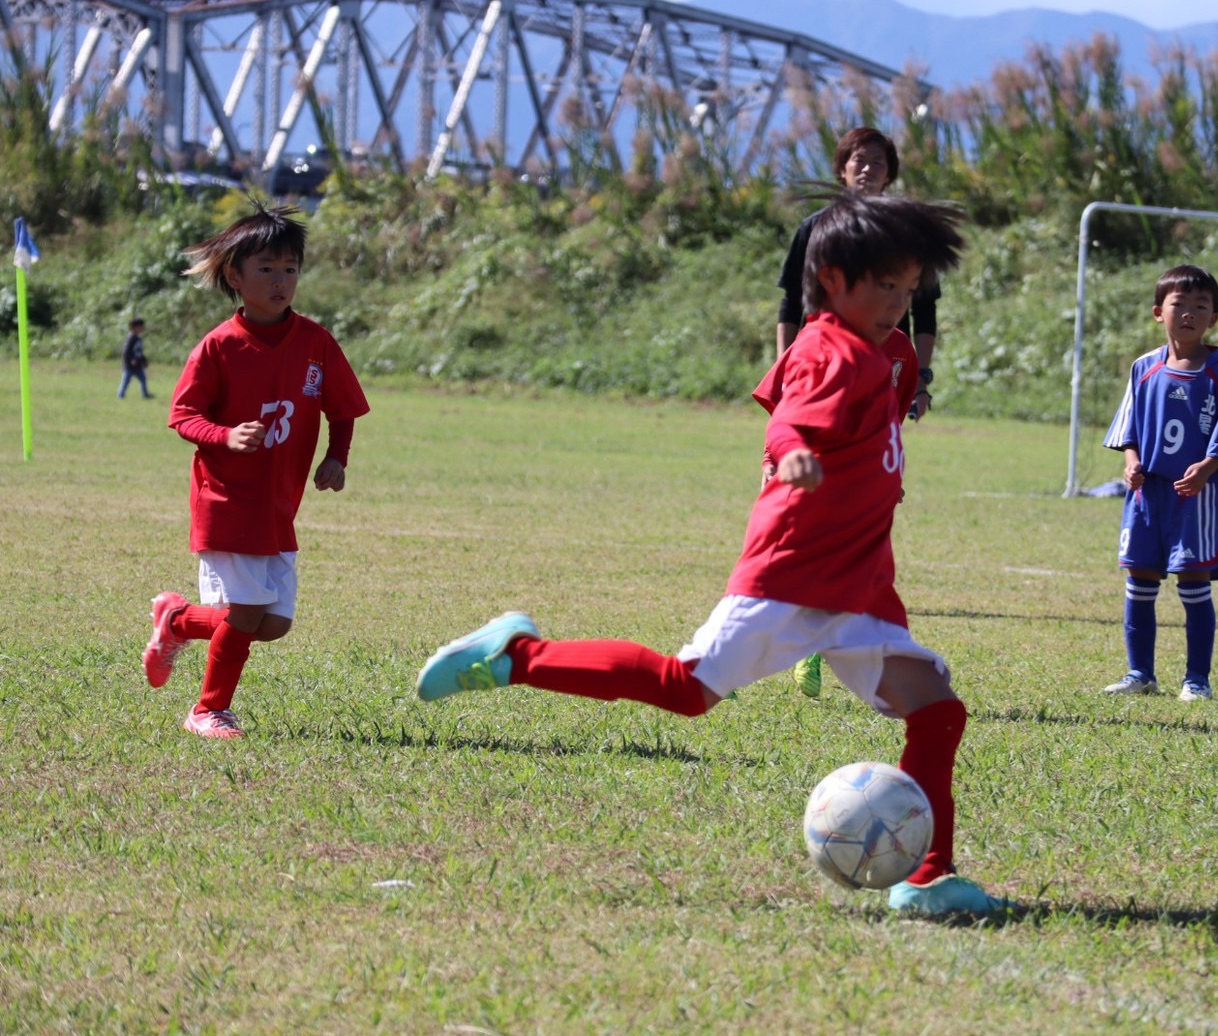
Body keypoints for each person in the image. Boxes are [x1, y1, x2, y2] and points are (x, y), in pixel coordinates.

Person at [416, 193, 1012, 918]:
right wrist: (792, 453)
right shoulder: (831, 350)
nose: (898, 302)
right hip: (795, 576)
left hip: (858, 588)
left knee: (939, 710)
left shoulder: (889, 354)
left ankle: (924, 880)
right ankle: (517, 654)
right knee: (685, 689)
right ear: (831, 279)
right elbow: (790, 415)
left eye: (908, 287)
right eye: (884, 284)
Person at [139, 201, 371, 739]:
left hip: (278, 507)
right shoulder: (219, 346)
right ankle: (207, 710)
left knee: (273, 624)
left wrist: (337, 458)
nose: (280, 280)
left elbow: (343, 408)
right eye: (266, 268)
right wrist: (225, 436)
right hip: (227, 499)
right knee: (245, 613)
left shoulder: (315, 341)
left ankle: (177, 621)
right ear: (235, 276)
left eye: (290, 269)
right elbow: (183, 416)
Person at [776, 126, 941, 699]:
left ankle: (872, 647)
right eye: (856, 161)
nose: (866, 169)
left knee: (870, 525)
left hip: (876, 392)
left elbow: (926, 316)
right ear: (841, 169)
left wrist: (921, 381)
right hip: (820, 388)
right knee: (811, 523)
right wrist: (786, 380)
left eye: (877, 162)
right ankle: (808, 637)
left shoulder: (905, 240)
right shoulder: (817, 234)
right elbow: (789, 304)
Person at [1101, 264, 1218, 702]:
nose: (1188, 313)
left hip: (1195, 497)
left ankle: (1196, 680)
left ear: (1214, 318)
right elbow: (1128, 429)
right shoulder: (1143, 367)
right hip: (1147, 496)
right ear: (1157, 313)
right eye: (1178, 304)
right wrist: (1131, 462)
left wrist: (1205, 468)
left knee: (1192, 582)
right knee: (1140, 580)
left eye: (1200, 306)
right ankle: (1139, 672)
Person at [118, 317, 152, 399]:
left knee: (143, 379)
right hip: (129, 366)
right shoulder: (130, 338)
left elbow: (139, 352)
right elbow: (125, 352)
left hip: (138, 365)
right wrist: (130, 360)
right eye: (141, 326)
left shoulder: (138, 338)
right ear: (135, 327)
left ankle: (145, 394)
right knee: (126, 381)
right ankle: (120, 395)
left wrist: (144, 360)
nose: (142, 328)